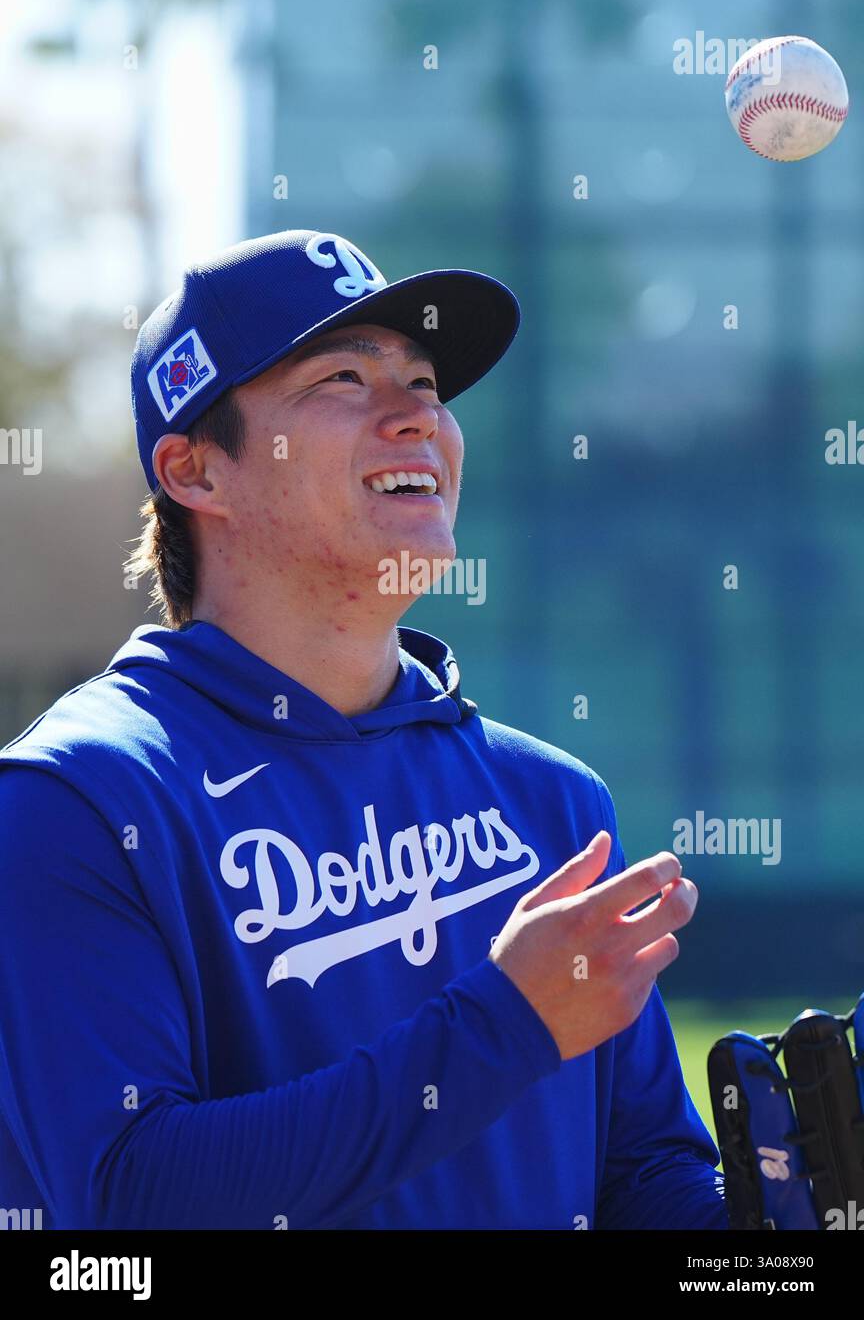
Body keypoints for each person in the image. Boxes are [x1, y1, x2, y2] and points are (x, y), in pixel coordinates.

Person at [0, 227, 727, 1230]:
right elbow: (126, 1201)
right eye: (345, 377)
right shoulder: (75, 801)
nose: (419, 413)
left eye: (426, 381)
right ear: (195, 469)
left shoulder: (553, 800)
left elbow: (642, 1172)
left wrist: (768, 1227)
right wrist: (503, 1026)